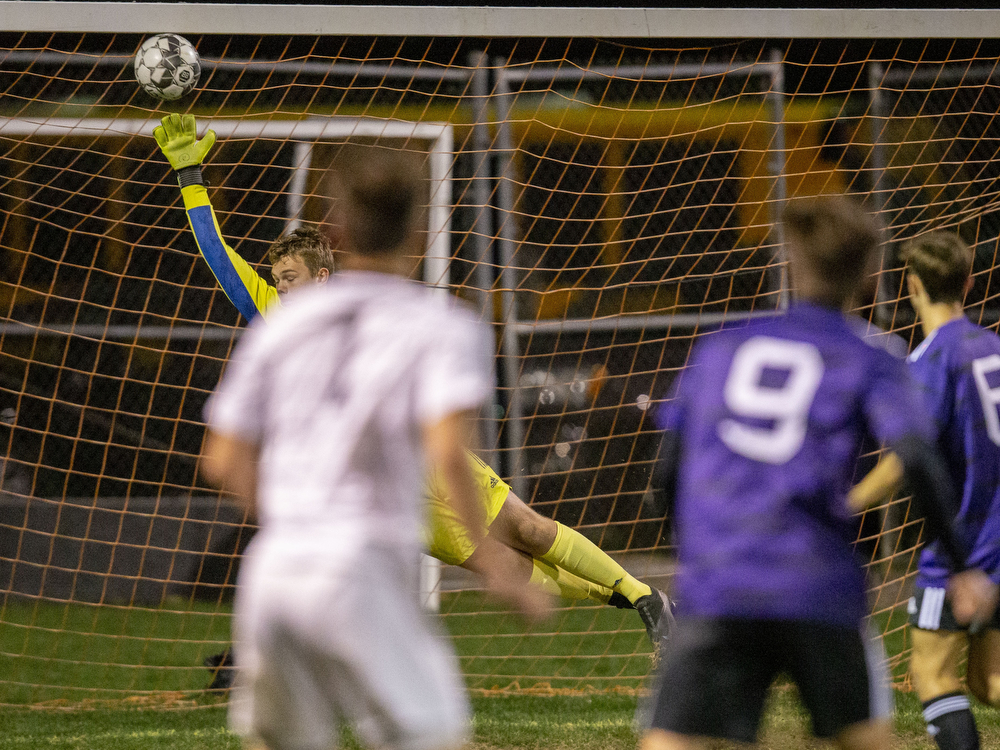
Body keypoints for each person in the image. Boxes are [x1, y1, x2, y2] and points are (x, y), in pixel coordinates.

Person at [153, 114, 671, 687]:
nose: (280, 287)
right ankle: (627, 600)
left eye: (290, 277)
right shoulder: (276, 318)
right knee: (515, 570)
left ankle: (643, 596)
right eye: (275, 279)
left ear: (324, 275)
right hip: (387, 494)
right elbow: (217, 255)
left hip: (428, 458)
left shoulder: (390, 309)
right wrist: (190, 176)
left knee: (525, 528)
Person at [200, 146, 549, 750]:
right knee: (436, 738)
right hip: (362, 569)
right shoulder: (440, 325)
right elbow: (446, 454)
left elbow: (222, 459)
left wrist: (300, 520)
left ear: (336, 230)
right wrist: (500, 571)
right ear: (418, 229)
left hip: (275, 575)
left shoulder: (282, 325)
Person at [641, 195, 999, 750]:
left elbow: (666, 471)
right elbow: (918, 457)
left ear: (789, 264)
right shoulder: (874, 355)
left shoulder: (720, 346)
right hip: (817, 579)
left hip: (724, 580)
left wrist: (696, 549)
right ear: (871, 275)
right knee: (865, 734)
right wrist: (959, 563)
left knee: (672, 739)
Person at [849, 231, 1000, 750]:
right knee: (989, 682)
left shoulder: (931, 362)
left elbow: (905, 459)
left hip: (967, 545)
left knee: (932, 676)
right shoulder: (993, 346)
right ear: (969, 281)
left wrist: (846, 504)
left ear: (909, 285)